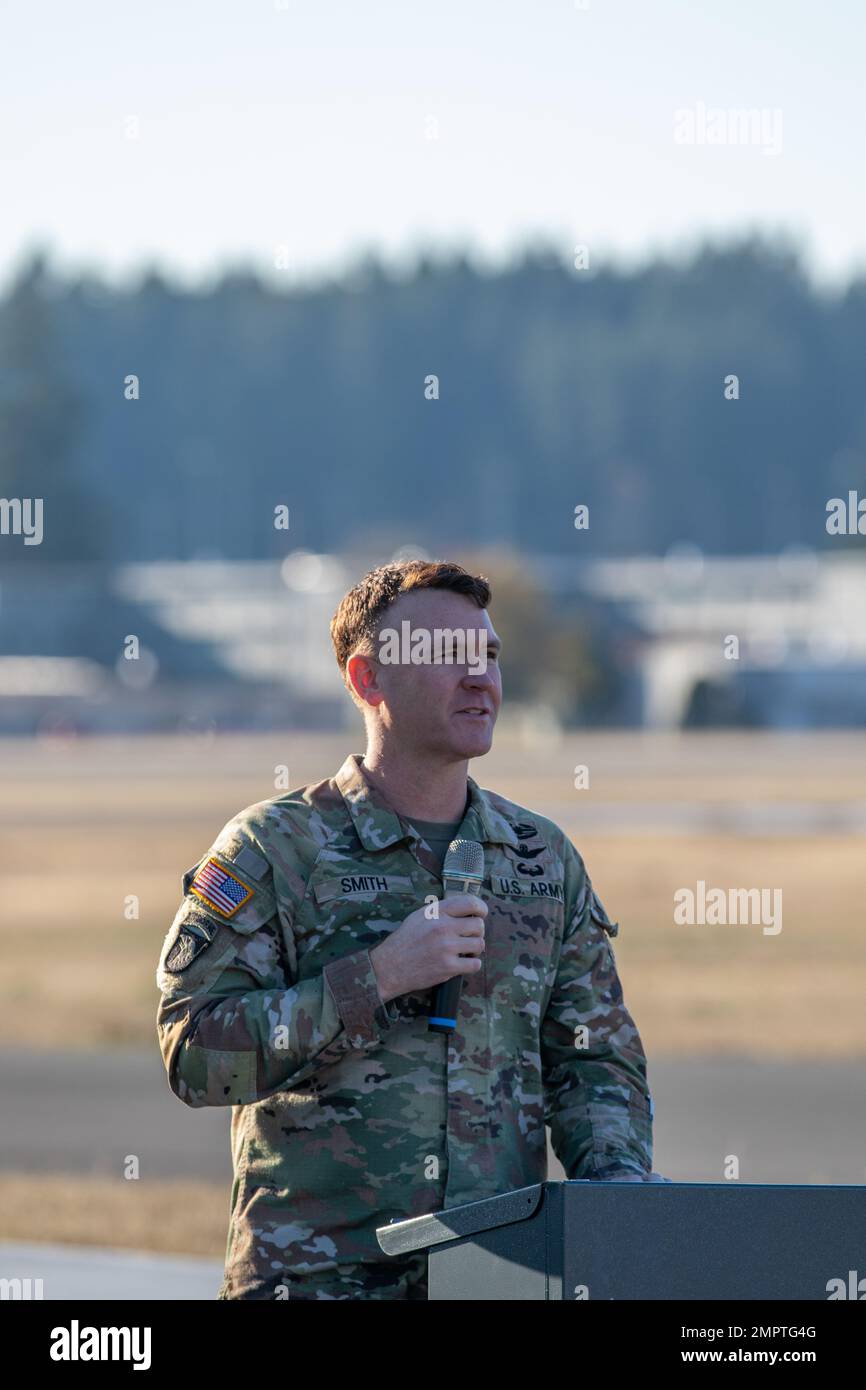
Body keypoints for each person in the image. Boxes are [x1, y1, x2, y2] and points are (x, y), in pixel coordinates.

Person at [155, 559, 665, 1301]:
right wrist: (378, 977)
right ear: (368, 681)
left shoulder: (540, 858)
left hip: (495, 1280)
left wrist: (615, 1186)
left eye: (488, 656)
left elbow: (596, 1063)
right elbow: (194, 1055)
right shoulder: (277, 849)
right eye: (448, 659)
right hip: (317, 1281)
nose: (480, 679)